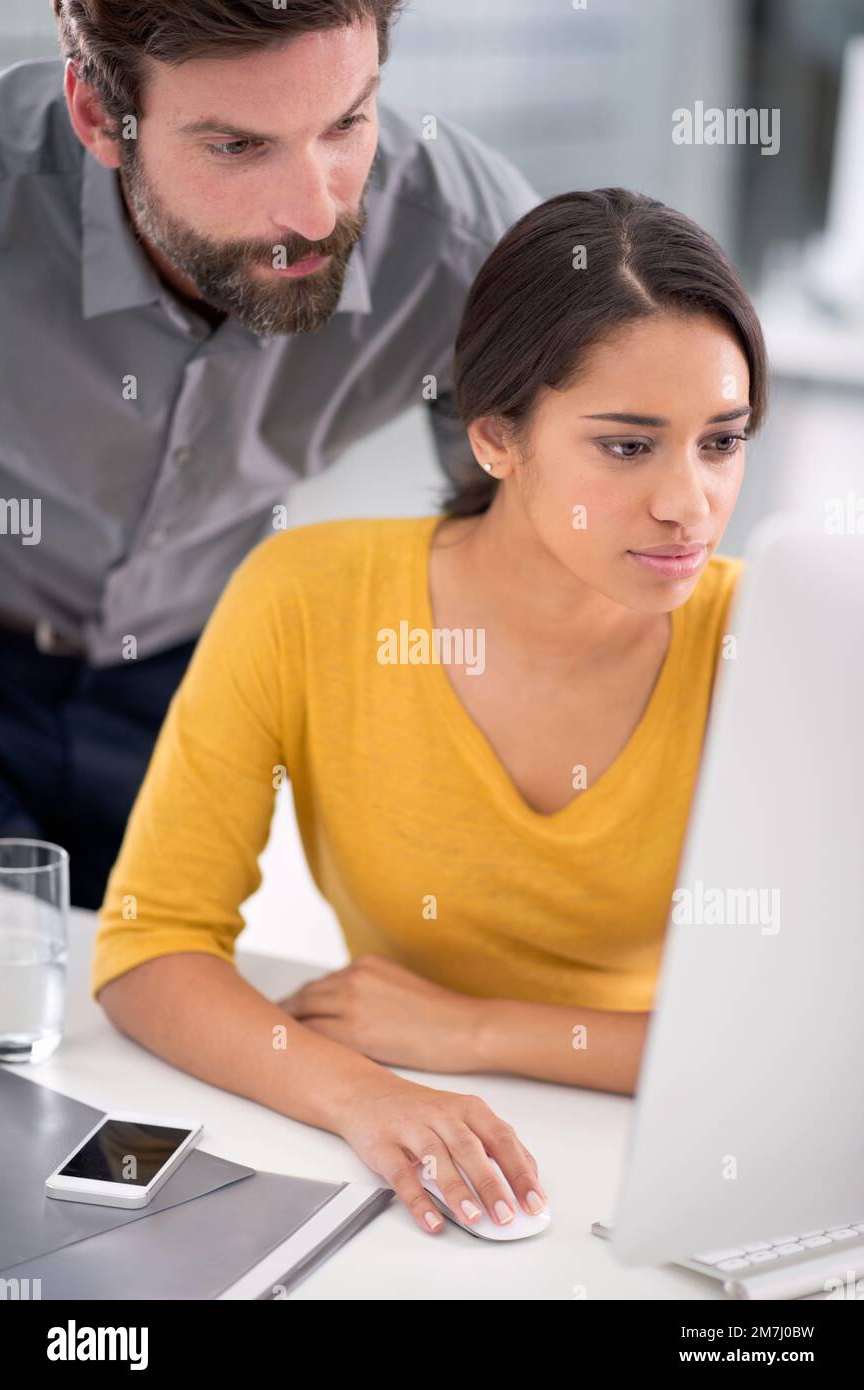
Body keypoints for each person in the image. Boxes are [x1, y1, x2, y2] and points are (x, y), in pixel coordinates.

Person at [92, 187, 767, 1236]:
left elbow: (811, 1032)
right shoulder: (306, 597)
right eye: (628, 447)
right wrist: (366, 1094)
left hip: (665, 1156)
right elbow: (148, 948)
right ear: (497, 436)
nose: (690, 504)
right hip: (408, 1164)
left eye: (721, 442)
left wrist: (476, 1033)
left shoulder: (770, 644)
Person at [0, 0, 540, 906]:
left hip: (187, 679)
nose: (316, 210)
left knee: (123, 1006)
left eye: (345, 124)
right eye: (236, 147)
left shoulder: (473, 250)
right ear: (100, 119)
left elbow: (539, 539)